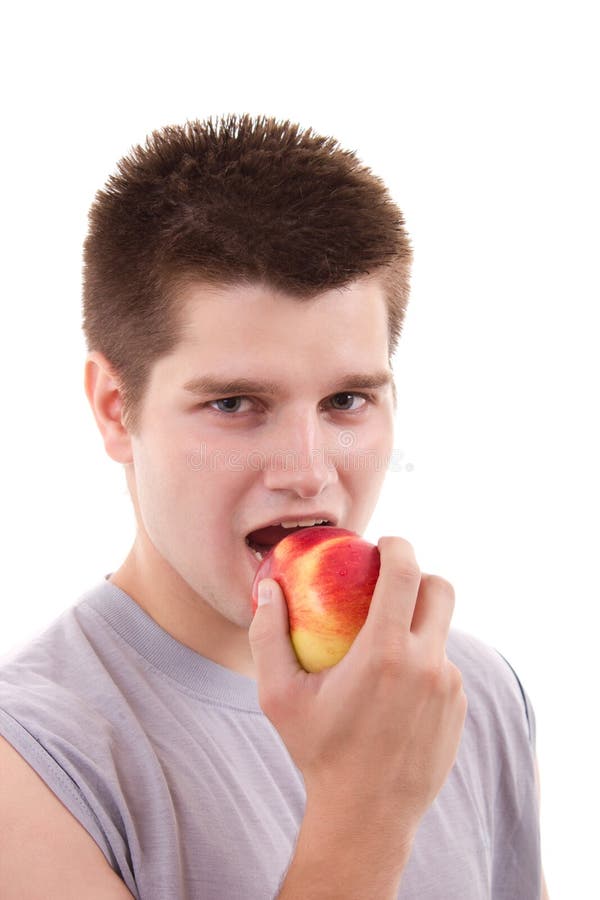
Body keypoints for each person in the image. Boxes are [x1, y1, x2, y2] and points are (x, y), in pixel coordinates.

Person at [0, 113, 548, 899]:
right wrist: (365, 811)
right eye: (234, 404)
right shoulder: (30, 764)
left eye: (347, 399)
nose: (307, 470)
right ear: (117, 409)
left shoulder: (464, 690)